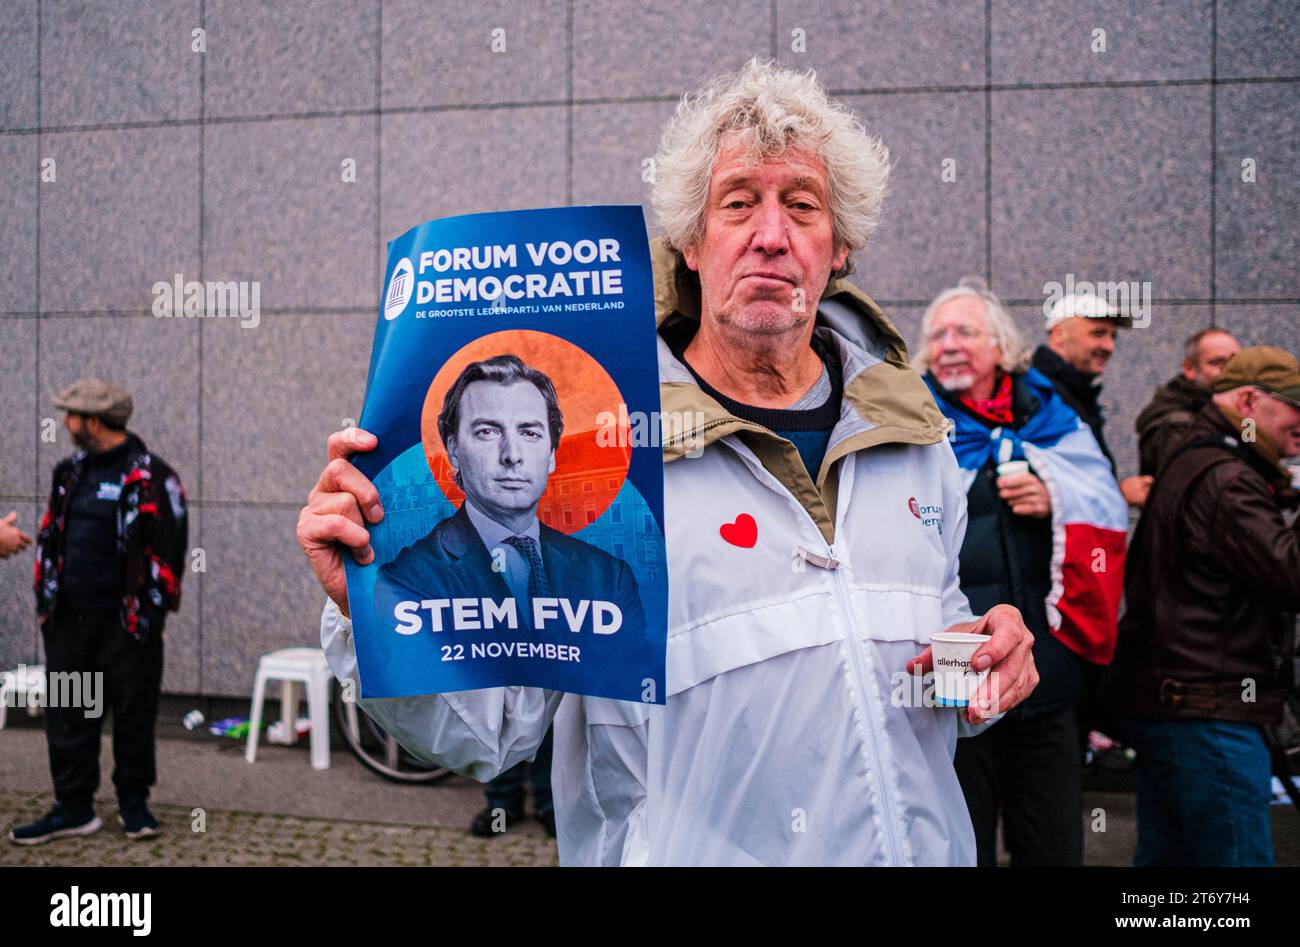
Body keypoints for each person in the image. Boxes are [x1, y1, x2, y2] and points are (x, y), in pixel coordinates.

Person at [298, 58, 1040, 866]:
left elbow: (915, 681)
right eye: (738, 205)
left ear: (841, 247)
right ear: (690, 241)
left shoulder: (915, 438)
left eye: (802, 205)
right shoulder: (597, 458)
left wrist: (982, 666)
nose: (770, 235)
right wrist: (369, 605)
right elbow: (490, 731)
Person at [374, 355, 645, 838]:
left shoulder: (608, 576)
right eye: (486, 432)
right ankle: (500, 804)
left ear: (554, 453)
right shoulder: (412, 577)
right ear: (452, 451)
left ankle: (546, 806)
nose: (512, 454)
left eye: (530, 432)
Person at [913, 279, 1127, 865]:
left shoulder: (1050, 413)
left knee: (1053, 841)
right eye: (938, 336)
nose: (949, 345)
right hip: (957, 664)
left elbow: (1103, 499)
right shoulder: (913, 421)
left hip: (1047, 667)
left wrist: (1055, 494)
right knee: (964, 838)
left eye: (965, 332)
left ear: (1000, 345)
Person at [1103, 346, 1300, 867]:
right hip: (1210, 718)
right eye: (1294, 405)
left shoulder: (1201, 459)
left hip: (1181, 710)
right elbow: (1293, 576)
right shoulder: (1227, 477)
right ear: (1251, 400)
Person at [10, 378, 188, 846]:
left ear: (92, 422)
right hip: (70, 622)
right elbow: (54, 532)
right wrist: (48, 605)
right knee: (70, 713)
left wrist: (149, 613)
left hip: (128, 626)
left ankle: (134, 804)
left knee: (133, 715)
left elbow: (170, 549)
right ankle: (73, 807)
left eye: (70, 415)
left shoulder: (153, 476)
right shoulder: (67, 472)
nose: (64, 423)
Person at [1032, 294, 1149, 506]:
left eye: (1113, 336)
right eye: (1098, 333)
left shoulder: (1071, 390)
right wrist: (1117, 494)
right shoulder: (1039, 393)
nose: (1109, 346)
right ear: (1059, 335)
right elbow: (1048, 484)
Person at [1135, 327, 1240, 479]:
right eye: (1217, 362)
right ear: (1189, 368)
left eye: (1236, 362)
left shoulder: (1228, 412)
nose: (1230, 371)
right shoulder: (1178, 426)